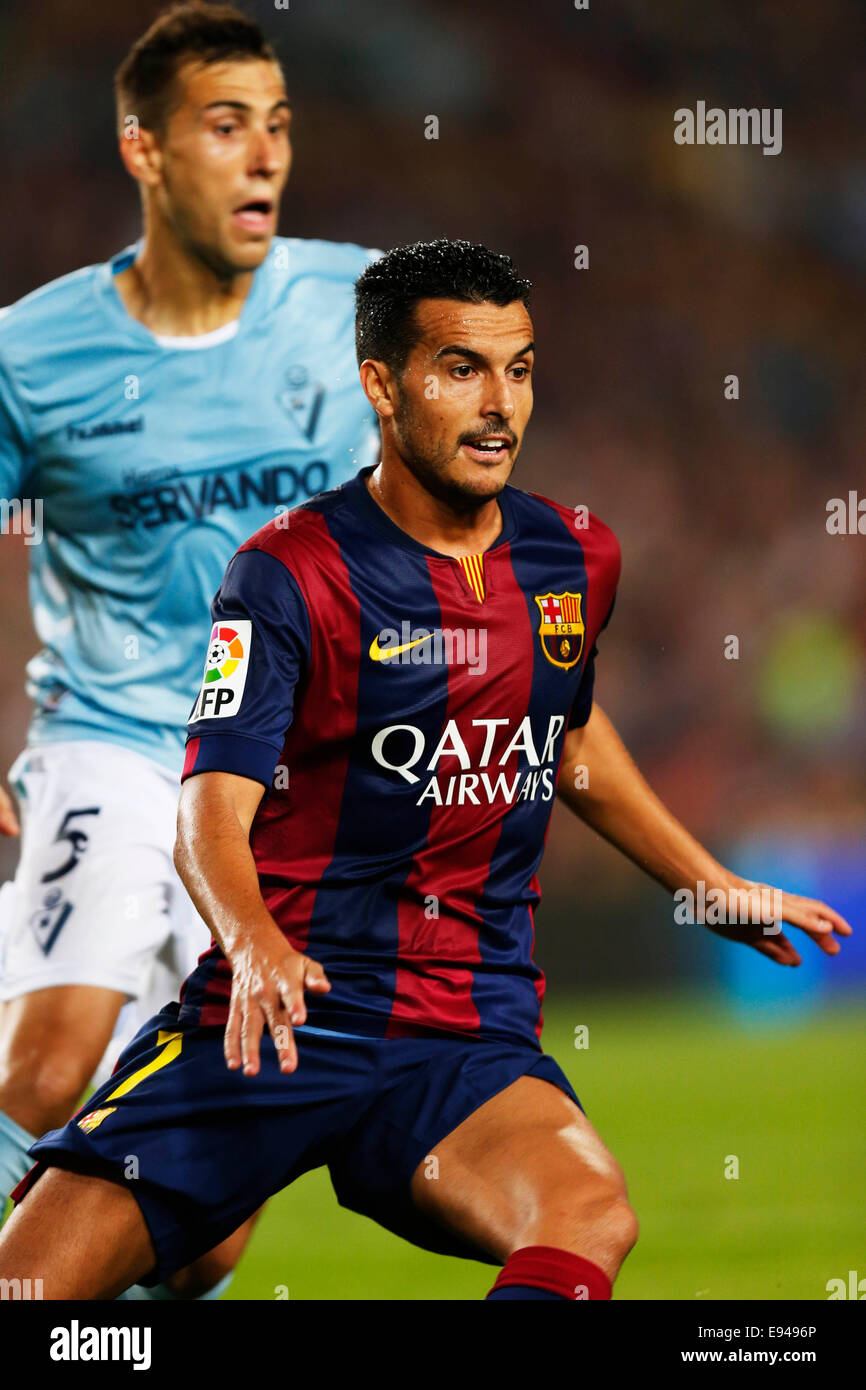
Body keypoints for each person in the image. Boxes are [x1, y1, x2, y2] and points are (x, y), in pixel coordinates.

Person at [0, 238, 850, 1301]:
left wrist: (704, 883)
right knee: (33, 1288)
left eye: (520, 368)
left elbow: (568, 739)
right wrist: (251, 939)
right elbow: (207, 806)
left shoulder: (571, 557)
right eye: (461, 368)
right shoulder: (283, 572)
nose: (499, 403)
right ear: (381, 385)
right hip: (278, 1014)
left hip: (459, 1034)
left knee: (588, 1211)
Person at [0, 2, 378, 1299]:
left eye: (277, 125)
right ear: (144, 152)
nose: (265, 154)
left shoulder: (357, 306)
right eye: (227, 127)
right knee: (49, 1063)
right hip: (108, 737)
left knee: (203, 1223)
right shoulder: (29, 353)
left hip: (278, 777)